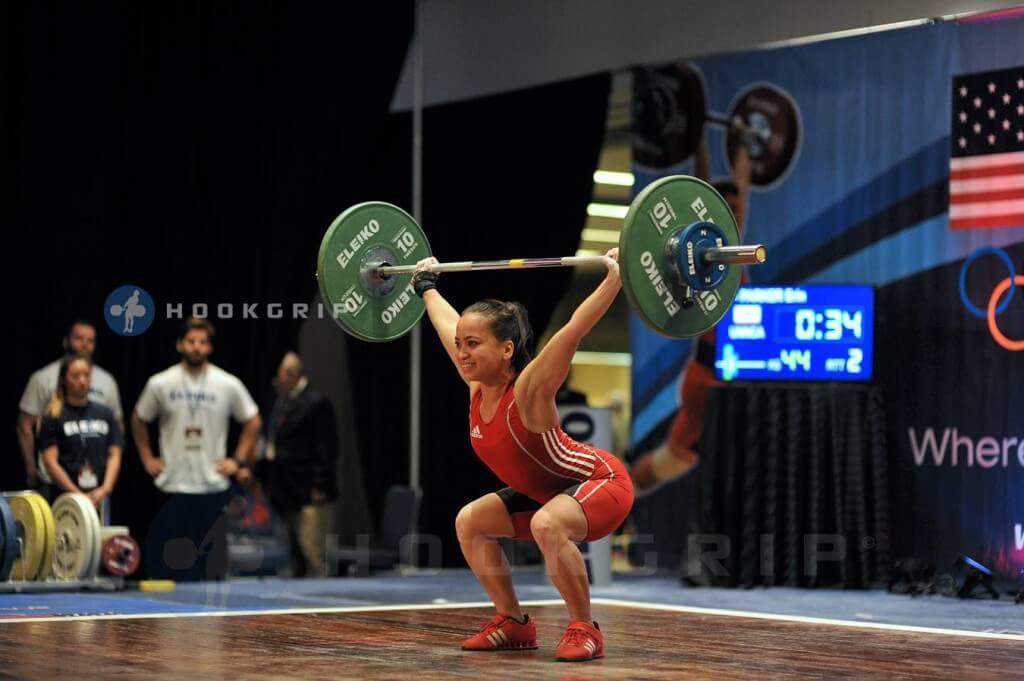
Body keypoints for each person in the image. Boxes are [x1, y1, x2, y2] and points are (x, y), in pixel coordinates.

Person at [413, 247, 633, 662]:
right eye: (461, 344)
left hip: (600, 484)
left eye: (473, 344)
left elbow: (572, 332)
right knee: (470, 522)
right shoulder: (477, 387)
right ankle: (513, 623)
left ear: (507, 349)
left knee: (548, 525)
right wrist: (426, 289)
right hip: (548, 497)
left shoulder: (529, 391)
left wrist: (615, 279)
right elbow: (447, 325)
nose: (461, 352)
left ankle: (585, 628)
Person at [630, 136, 752, 494]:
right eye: (725, 207)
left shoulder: (733, 251)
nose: (734, 212)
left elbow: (741, 192)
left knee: (689, 461)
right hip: (706, 379)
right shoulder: (701, 254)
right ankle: (622, 492)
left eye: (736, 207)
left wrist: (741, 136)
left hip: (730, 379)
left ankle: (625, 490)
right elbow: (698, 192)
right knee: (678, 460)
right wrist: (698, 145)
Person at [132, 317, 261, 581]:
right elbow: (138, 419)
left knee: (210, 568)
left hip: (212, 485)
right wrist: (147, 457)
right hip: (173, 484)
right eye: (191, 341)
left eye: (202, 342)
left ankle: (211, 619)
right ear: (180, 345)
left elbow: (253, 420)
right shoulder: (161, 383)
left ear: (210, 348)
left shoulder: (227, 383)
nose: (196, 347)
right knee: (170, 562)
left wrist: (237, 460)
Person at [258, 351, 338, 577]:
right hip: (287, 491)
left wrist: (320, 487)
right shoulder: (282, 401)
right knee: (293, 556)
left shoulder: (316, 402)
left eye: (281, 374)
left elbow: (328, 448)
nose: (277, 379)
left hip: (310, 493)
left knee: (312, 553)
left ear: (292, 374)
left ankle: (320, 606)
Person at [16, 320, 123, 490]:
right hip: (55, 480)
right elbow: (25, 426)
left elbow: (117, 430)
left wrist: (107, 483)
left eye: (90, 340)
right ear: (66, 341)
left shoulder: (108, 382)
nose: (84, 344)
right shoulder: (43, 378)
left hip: (97, 483)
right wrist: (31, 471)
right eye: (79, 338)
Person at [37, 353, 123, 510]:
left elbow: (114, 453)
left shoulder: (105, 413)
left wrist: (106, 488)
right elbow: (50, 462)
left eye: (86, 375)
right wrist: (77, 495)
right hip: (66, 498)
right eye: (75, 376)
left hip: (100, 497)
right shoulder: (53, 416)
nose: (82, 381)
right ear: (64, 378)